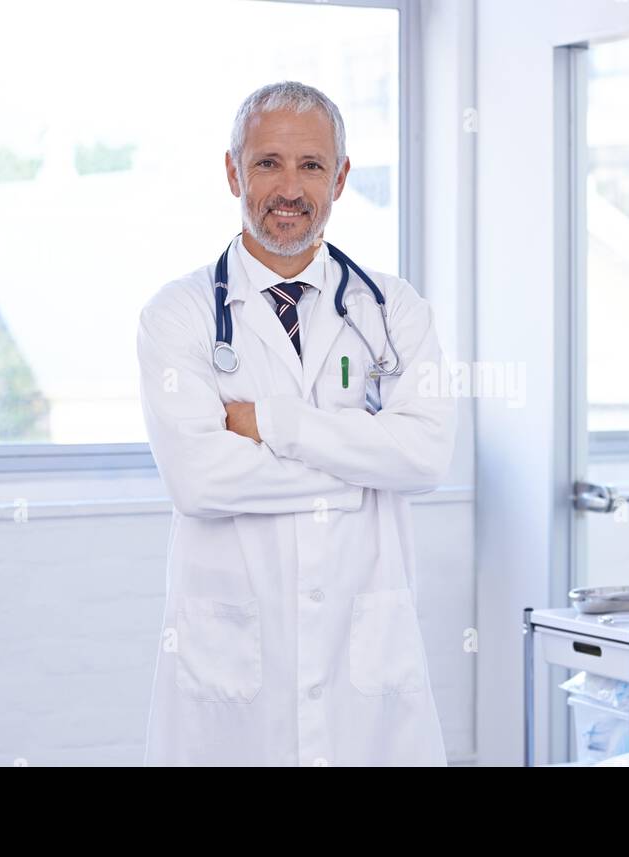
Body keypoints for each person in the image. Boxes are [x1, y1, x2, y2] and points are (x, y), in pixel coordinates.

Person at [135, 81, 455, 765]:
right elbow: (199, 480)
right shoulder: (179, 315)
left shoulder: (394, 311)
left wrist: (273, 421)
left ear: (340, 177)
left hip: (364, 670)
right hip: (232, 675)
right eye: (268, 162)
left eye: (311, 165)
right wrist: (356, 473)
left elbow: (426, 456)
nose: (290, 187)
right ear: (232, 171)